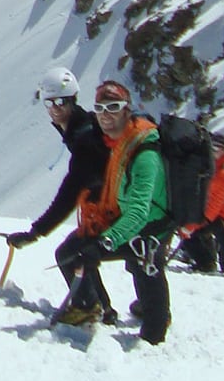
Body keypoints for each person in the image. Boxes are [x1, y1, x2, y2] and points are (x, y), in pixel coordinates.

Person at [54, 80, 173, 344]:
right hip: (133, 222)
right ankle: (93, 307)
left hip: (152, 227)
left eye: (113, 107)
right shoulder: (121, 142)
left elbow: (139, 211)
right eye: (100, 107)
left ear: (126, 110)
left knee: (146, 267)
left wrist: (105, 241)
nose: (105, 114)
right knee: (73, 252)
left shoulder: (144, 154)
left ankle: (157, 325)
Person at [3, 66, 114, 323]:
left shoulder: (84, 138)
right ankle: (102, 307)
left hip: (115, 211)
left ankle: (87, 308)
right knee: (81, 247)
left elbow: (69, 193)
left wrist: (36, 232)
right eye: (49, 102)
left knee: (68, 253)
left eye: (60, 101)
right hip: (113, 207)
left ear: (73, 100)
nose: (54, 108)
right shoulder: (83, 129)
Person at [182, 134, 224, 274]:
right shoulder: (215, 165)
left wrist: (192, 226)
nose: (213, 151)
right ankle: (222, 267)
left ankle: (210, 265)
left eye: (217, 148)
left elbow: (213, 207)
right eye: (211, 147)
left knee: (194, 233)